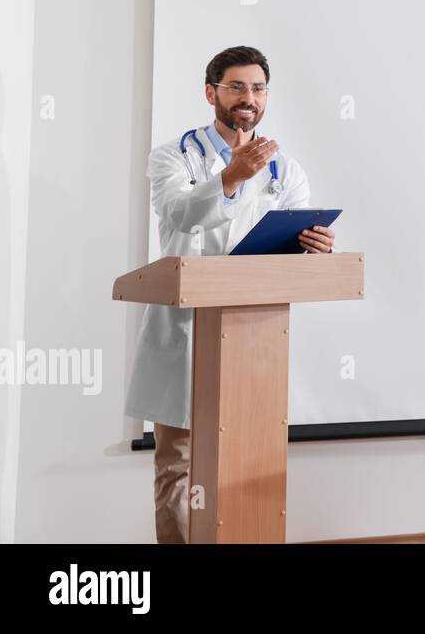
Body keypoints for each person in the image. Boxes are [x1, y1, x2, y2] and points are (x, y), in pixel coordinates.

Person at [124, 46, 335, 543]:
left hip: (252, 338)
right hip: (185, 334)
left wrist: (311, 248)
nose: (248, 98)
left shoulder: (286, 170)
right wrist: (232, 177)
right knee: (179, 467)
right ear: (210, 93)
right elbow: (181, 216)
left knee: (246, 467)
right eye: (236, 86)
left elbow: (281, 251)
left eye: (258, 88)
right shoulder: (173, 156)